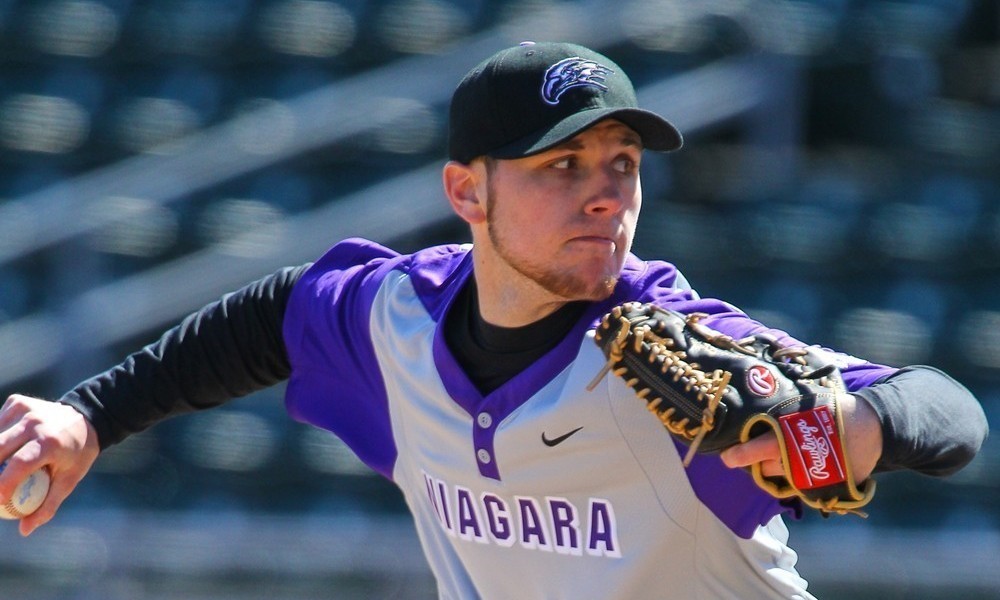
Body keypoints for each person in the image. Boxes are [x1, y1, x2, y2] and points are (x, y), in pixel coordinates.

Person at [0, 41, 988, 599]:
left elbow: (946, 416)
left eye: (621, 165)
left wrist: (846, 432)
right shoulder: (393, 319)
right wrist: (91, 416)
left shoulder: (671, 344)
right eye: (562, 166)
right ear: (465, 192)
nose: (605, 195)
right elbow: (265, 321)